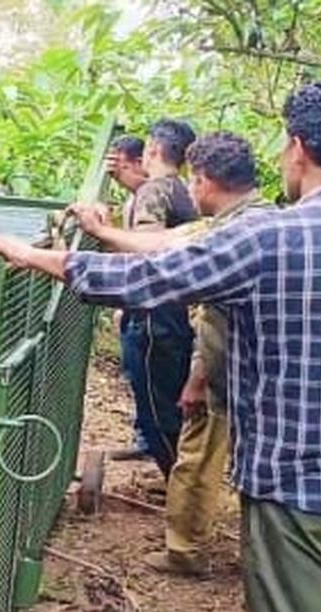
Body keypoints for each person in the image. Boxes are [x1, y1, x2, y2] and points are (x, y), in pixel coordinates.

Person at [0, 79, 321, 612]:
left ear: (298, 147)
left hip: (294, 488)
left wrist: (34, 256)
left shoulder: (270, 236)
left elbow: (150, 280)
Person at [73, 132, 271, 575]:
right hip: (253, 377)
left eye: (194, 181)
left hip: (231, 375)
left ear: (205, 180)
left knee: (195, 460)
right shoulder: (256, 220)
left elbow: (160, 255)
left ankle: (185, 551)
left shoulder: (233, 231)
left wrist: (90, 238)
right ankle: (259, 557)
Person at [100, 120, 200, 478]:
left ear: (154, 150)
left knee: (157, 407)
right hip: (172, 310)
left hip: (155, 313)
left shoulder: (155, 191)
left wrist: (99, 230)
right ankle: (178, 480)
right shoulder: (179, 189)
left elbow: (147, 253)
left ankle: (179, 485)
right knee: (165, 399)